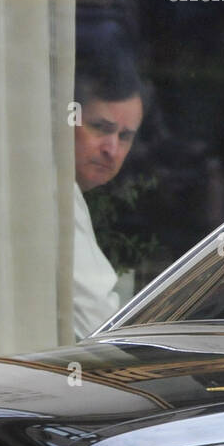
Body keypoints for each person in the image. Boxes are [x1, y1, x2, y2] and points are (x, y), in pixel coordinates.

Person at [72, 56, 144, 340]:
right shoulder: (52, 192)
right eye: (101, 128)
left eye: (125, 136)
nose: (111, 149)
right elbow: (100, 328)